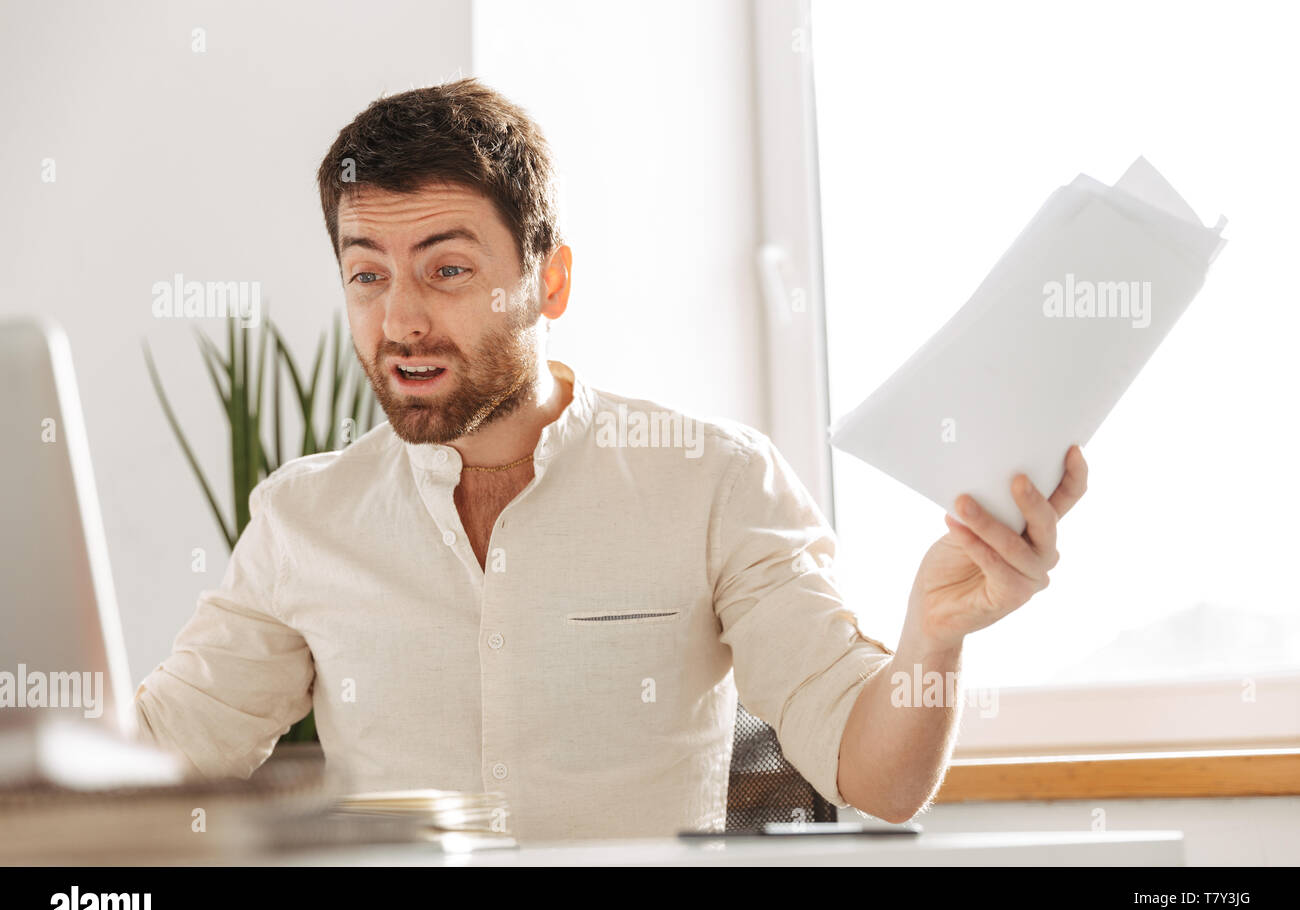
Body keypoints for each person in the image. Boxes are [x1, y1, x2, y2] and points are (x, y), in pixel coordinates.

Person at [134, 78, 1088, 841]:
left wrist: (933, 635)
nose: (401, 320)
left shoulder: (713, 482)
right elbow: (163, 754)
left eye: (448, 269)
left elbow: (877, 781)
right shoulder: (304, 519)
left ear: (548, 281)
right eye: (367, 274)